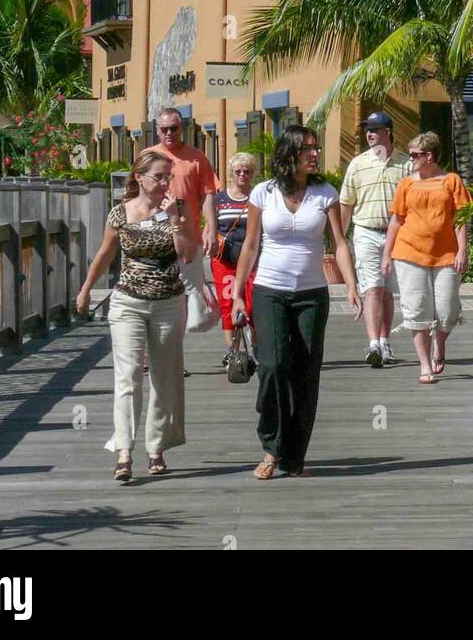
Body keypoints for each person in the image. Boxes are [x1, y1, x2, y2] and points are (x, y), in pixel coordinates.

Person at [232, 126, 360, 479]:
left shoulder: (325, 193)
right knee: (273, 365)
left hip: (312, 294)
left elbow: (340, 243)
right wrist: (237, 291)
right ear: (289, 154)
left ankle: (294, 456)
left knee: (306, 372)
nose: (315, 154)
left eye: (316, 148)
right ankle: (270, 446)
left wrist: (351, 285)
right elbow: (251, 245)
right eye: (308, 149)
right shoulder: (264, 193)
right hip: (269, 289)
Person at [76, 149, 196, 483]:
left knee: (163, 377)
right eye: (159, 176)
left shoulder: (176, 209)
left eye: (168, 177)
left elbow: (187, 255)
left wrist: (174, 219)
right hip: (128, 301)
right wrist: (86, 288)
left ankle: (155, 448)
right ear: (139, 177)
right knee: (127, 376)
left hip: (168, 303)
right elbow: (105, 253)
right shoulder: (120, 214)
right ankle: (124, 450)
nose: (164, 183)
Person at [381, 131, 472, 385]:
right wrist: (387, 255)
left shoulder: (451, 181)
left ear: (429, 155)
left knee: (447, 309)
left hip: (446, 254)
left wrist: (463, 249)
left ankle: (439, 342)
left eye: (414, 155)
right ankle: (424, 364)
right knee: (417, 309)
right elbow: (396, 220)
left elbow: (461, 218)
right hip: (409, 252)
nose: (411, 160)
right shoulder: (406, 184)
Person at [146, 106, 220, 374]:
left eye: (174, 128)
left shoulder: (196, 157)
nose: (169, 133)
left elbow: (209, 193)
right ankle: (149, 355)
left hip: (188, 238)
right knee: (153, 295)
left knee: (185, 298)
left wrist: (211, 227)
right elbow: (134, 196)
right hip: (154, 239)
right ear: (157, 130)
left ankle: (174, 358)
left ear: (182, 128)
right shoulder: (148, 157)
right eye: (164, 128)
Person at [339, 111, 410, 367]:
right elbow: (346, 204)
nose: (369, 134)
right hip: (366, 232)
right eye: (367, 129)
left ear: (388, 131)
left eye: (375, 129)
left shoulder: (407, 164)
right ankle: (373, 344)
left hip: (397, 237)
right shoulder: (357, 164)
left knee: (388, 292)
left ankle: (385, 340)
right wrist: (338, 240)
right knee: (373, 289)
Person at [213, 152, 258, 366]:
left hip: (253, 260)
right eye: (238, 171)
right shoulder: (219, 199)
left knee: (252, 305)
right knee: (227, 304)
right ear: (231, 173)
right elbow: (211, 226)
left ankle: (256, 346)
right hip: (226, 260)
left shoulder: (258, 197)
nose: (242, 175)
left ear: (253, 174)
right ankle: (232, 349)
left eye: (247, 171)